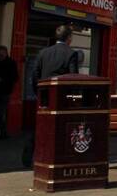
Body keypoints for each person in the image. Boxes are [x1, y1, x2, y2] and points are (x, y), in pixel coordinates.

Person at [22, 24, 82, 167]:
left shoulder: (44, 52)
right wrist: (73, 97)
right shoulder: (71, 53)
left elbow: (35, 74)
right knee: (62, 127)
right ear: (69, 38)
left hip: (44, 96)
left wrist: (39, 92)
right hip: (62, 97)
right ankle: (60, 155)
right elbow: (73, 77)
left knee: (41, 126)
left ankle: (29, 155)